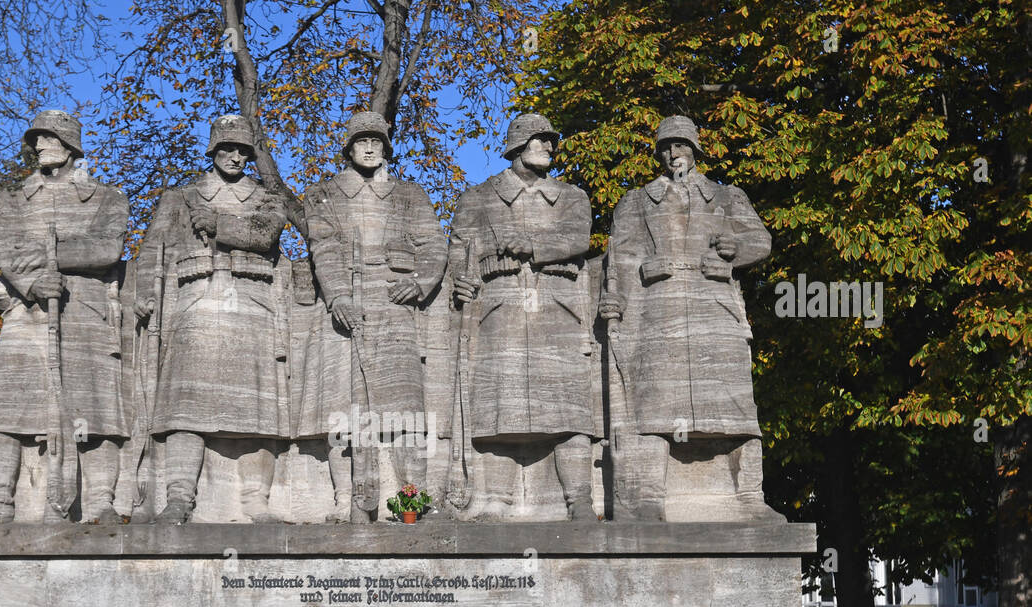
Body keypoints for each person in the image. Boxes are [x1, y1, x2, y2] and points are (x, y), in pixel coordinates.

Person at [599, 114, 781, 521]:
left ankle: (750, 497)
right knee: (655, 408)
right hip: (658, 311)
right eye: (665, 147)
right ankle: (650, 500)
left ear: (695, 150)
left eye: (680, 145)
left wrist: (735, 251)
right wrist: (616, 300)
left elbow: (760, 241)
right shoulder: (636, 201)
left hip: (714, 308)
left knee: (735, 406)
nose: (672, 153)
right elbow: (622, 257)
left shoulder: (725, 196)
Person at [132, 114, 290, 524]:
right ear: (213, 151)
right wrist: (144, 295)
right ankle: (180, 497)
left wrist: (219, 224)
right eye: (227, 149)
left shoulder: (266, 197)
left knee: (257, 413)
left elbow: (265, 235)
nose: (235, 156)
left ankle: (256, 500)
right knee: (187, 407)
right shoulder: (180, 198)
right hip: (195, 305)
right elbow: (152, 250)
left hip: (252, 305)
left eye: (243, 151)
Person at [0, 109, 129, 524]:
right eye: (36, 140)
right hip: (27, 313)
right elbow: (5, 250)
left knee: (95, 413)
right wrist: (32, 283)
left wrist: (49, 254)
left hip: (87, 312)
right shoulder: (10, 200)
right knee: (9, 408)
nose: (39, 146)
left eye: (49, 138)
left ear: (71, 146)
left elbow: (106, 250)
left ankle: (100, 504)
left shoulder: (107, 198)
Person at [449, 113, 599, 521]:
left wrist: (532, 243)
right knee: (499, 406)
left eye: (551, 141)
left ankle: (579, 500)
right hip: (499, 306)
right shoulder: (477, 197)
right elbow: (459, 249)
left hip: (557, 307)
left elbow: (578, 238)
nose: (550, 147)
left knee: (569, 409)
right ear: (517, 145)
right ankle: (496, 499)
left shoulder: (572, 196)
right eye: (541, 140)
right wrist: (460, 282)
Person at [303, 111, 447, 522]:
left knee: (407, 412)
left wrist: (420, 283)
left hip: (396, 307)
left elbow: (434, 244)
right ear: (348, 148)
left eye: (377, 142)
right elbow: (323, 249)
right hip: (347, 312)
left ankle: (413, 503)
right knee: (354, 415)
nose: (369, 148)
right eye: (361, 141)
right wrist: (337, 298)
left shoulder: (410, 196)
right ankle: (358, 502)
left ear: (387, 148)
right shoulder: (324, 195)